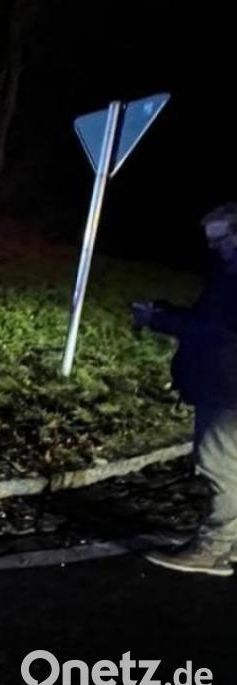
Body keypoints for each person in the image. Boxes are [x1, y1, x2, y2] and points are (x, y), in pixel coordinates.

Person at [136, 202, 237, 577]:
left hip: (227, 389)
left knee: (218, 464)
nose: (213, 247)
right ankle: (230, 542)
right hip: (226, 383)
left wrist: (159, 318)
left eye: (219, 238)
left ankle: (214, 548)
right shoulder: (228, 271)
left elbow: (216, 330)